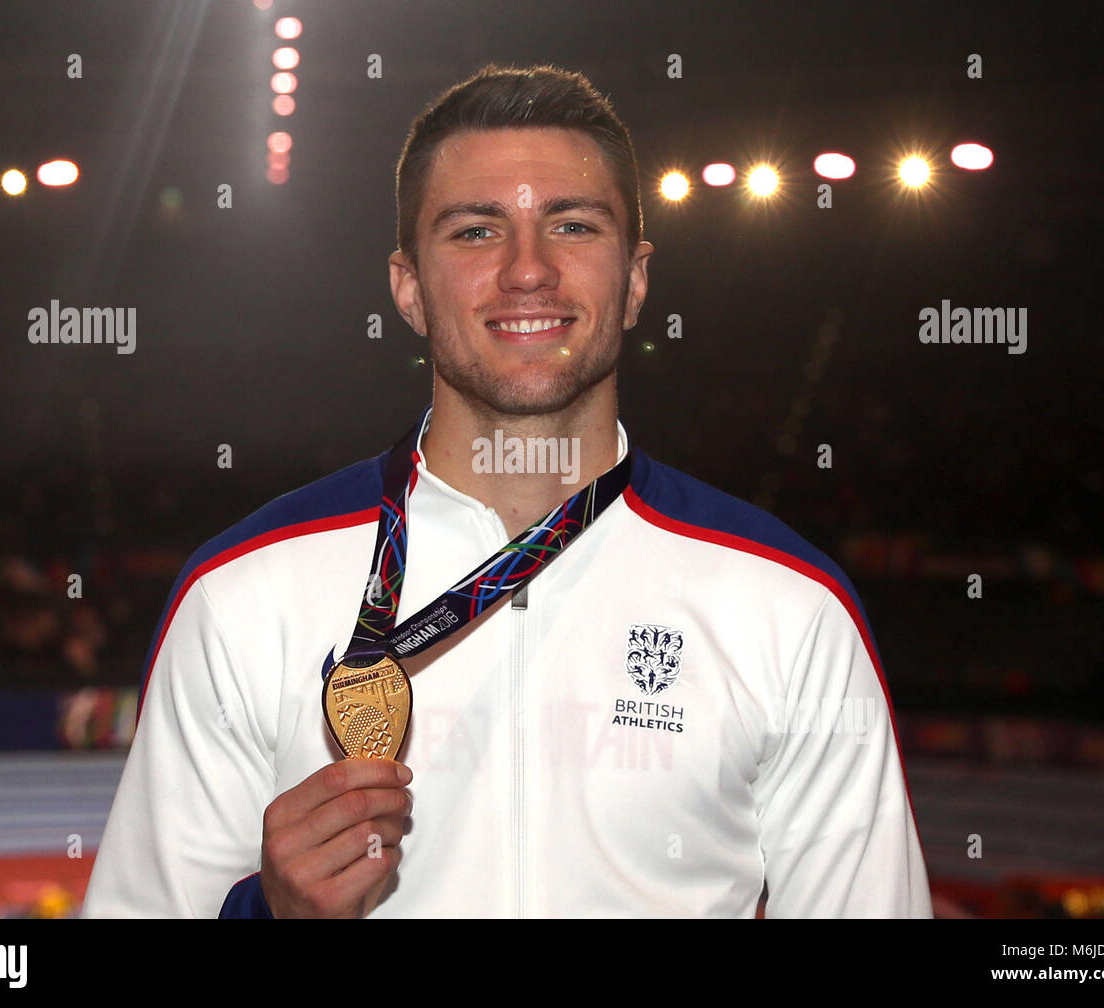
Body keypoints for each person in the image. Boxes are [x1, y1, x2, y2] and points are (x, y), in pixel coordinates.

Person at [83, 63, 932, 918]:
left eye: (571, 225)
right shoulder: (241, 592)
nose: (529, 271)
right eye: (475, 232)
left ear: (635, 280)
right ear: (408, 287)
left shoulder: (789, 605)